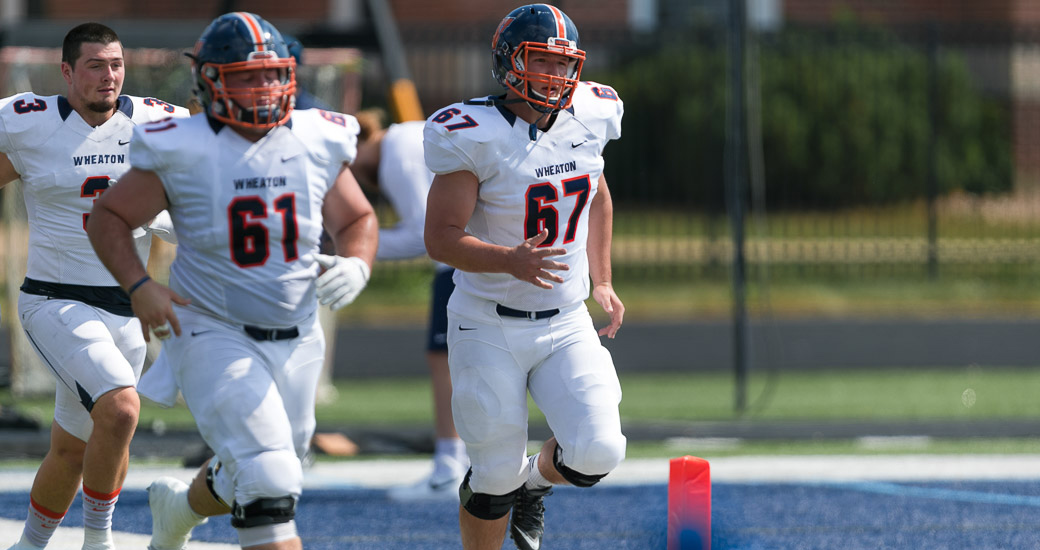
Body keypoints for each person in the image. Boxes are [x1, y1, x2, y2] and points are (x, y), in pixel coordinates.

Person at [86, 11, 377, 550]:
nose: (263, 87)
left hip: (298, 330)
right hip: (212, 327)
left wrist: (358, 261)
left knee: (272, 464)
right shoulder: (181, 144)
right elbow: (110, 217)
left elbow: (356, 219)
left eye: (271, 73)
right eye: (246, 75)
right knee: (270, 480)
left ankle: (177, 511)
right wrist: (139, 285)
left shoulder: (316, 135)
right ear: (210, 79)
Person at [423, 4, 627, 550]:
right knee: (492, 475)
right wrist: (507, 259)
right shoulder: (473, 131)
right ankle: (508, 492)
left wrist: (602, 279)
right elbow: (440, 236)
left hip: (565, 319)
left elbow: (597, 193)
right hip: (487, 322)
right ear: (509, 62)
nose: (555, 76)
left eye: (565, 64)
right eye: (541, 61)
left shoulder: (592, 113)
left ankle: (534, 486)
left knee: (598, 450)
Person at [0, 22, 187, 550]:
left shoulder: (158, 122)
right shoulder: (26, 122)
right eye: (95, 65)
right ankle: (98, 542)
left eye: (116, 64)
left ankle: (29, 545)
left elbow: (191, 198)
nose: (109, 76)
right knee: (123, 409)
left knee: (75, 449)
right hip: (54, 300)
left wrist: (172, 219)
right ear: (66, 71)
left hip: (126, 308)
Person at [350, 108, 469, 500]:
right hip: (476, 257)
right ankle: (468, 462)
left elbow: (424, 236)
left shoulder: (396, 151)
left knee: (445, 359)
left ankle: (450, 466)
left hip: (461, 264)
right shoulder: (404, 141)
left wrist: (351, 247)